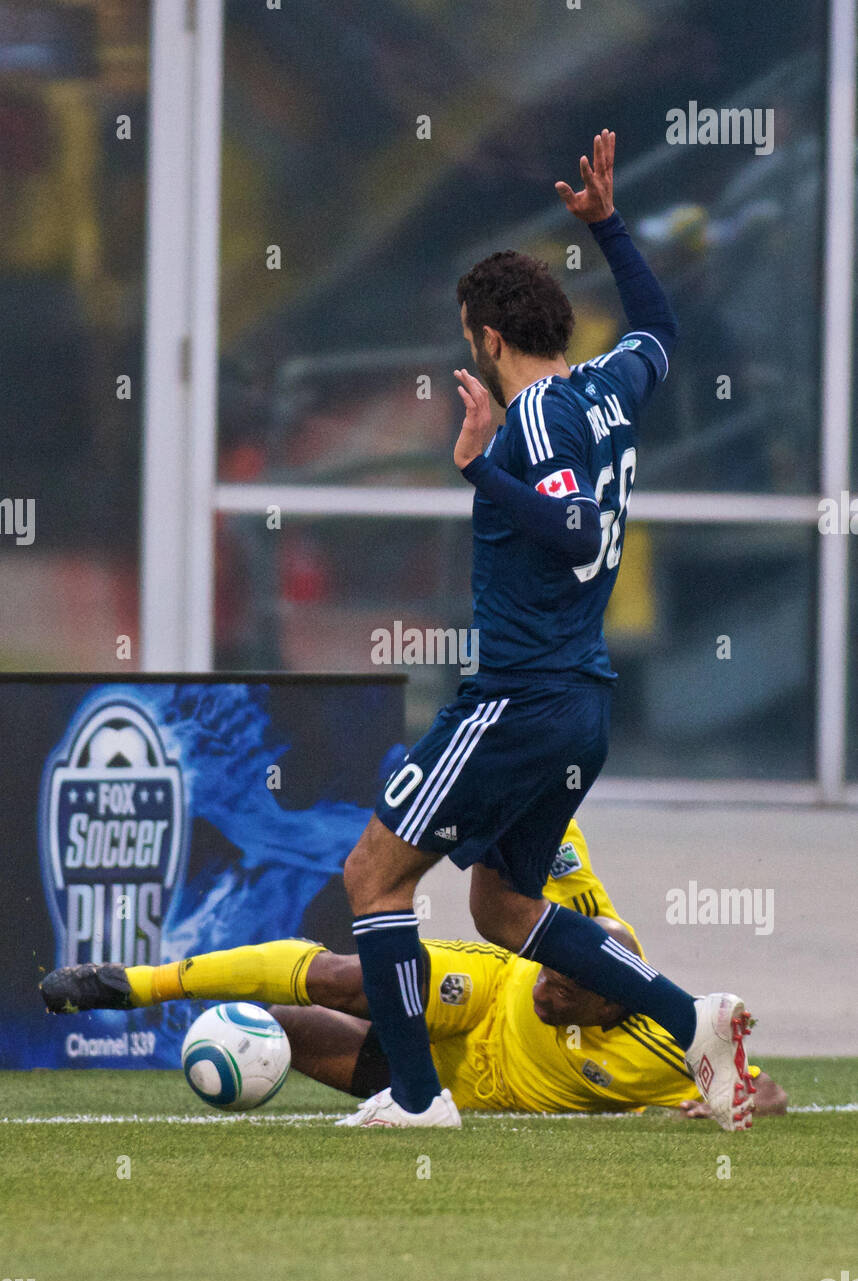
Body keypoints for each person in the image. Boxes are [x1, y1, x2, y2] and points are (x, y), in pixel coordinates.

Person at [339, 129, 753, 1128]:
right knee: (500, 907)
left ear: (484, 337)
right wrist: (606, 225)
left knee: (372, 874)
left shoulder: (527, 424)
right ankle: (686, 1017)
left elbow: (571, 531)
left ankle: (413, 1096)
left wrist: (476, 466)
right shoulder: (608, 387)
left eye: (465, 335)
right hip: (578, 703)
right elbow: (657, 323)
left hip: (516, 698)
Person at [40, 821, 768, 1122]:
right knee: (343, 979)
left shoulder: (667, 1045)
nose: (552, 979)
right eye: (554, 968)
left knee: (275, 1035)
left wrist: (726, 1104)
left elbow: (766, 1094)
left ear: (617, 1007)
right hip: (482, 996)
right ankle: (136, 983)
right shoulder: (573, 911)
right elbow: (548, 810)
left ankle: (404, 1097)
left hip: (475, 1088)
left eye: (567, 989)